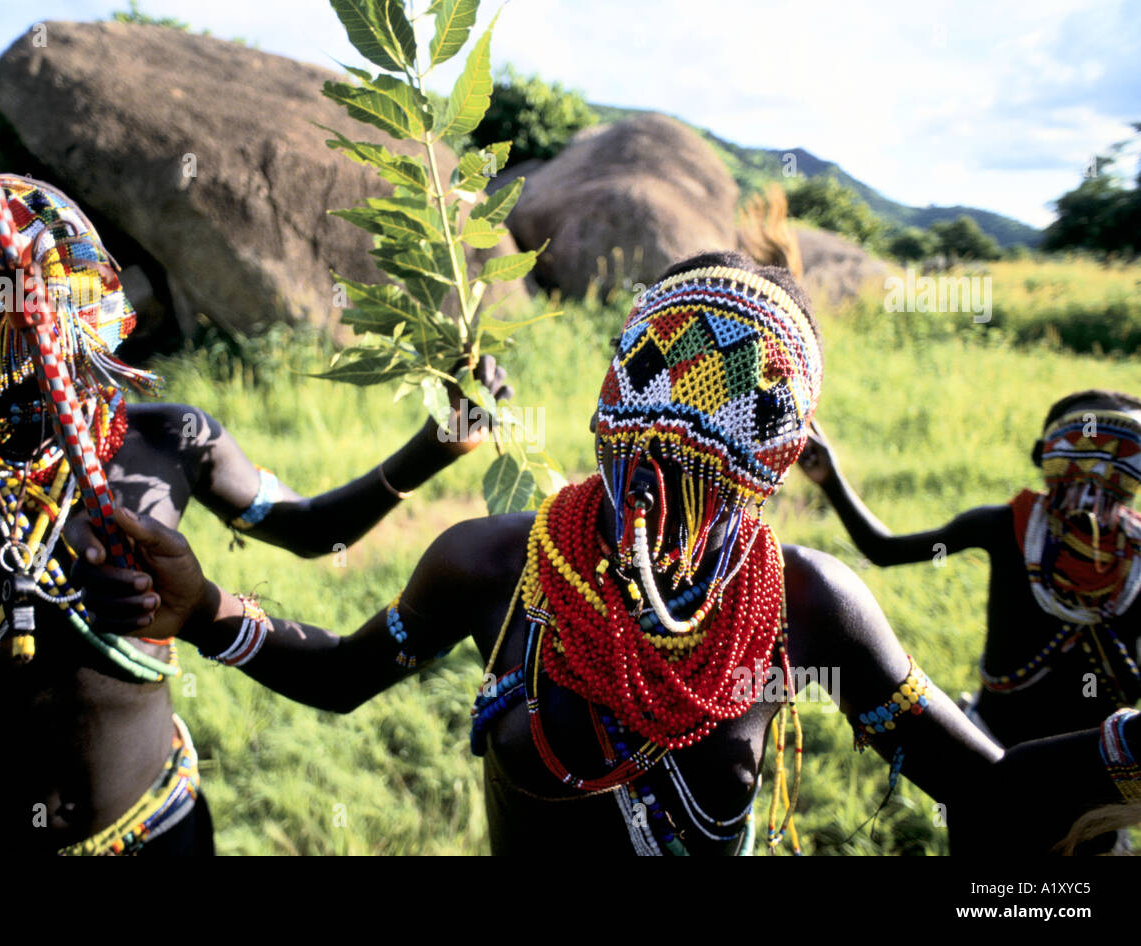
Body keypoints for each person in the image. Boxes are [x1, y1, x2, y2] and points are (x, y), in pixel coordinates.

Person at [86, 251, 1141, 855]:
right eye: (653, 376)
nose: (674, 439)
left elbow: (983, 790)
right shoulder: (493, 567)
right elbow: (345, 676)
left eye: (726, 407)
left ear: (779, 446)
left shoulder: (807, 606)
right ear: (609, 389)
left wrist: (1121, 750)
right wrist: (209, 608)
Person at [0, 175, 508, 855]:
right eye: (14, 347)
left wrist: (438, 446)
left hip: (164, 834)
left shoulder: (169, 443)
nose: (52, 370)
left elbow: (313, 532)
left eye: (74, 336)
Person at [795, 392, 1141, 749]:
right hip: (993, 750)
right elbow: (884, 550)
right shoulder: (1006, 526)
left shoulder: (1136, 557)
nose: (1101, 468)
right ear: (1046, 453)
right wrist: (831, 480)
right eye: (1087, 445)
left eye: (1124, 451)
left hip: (1101, 764)